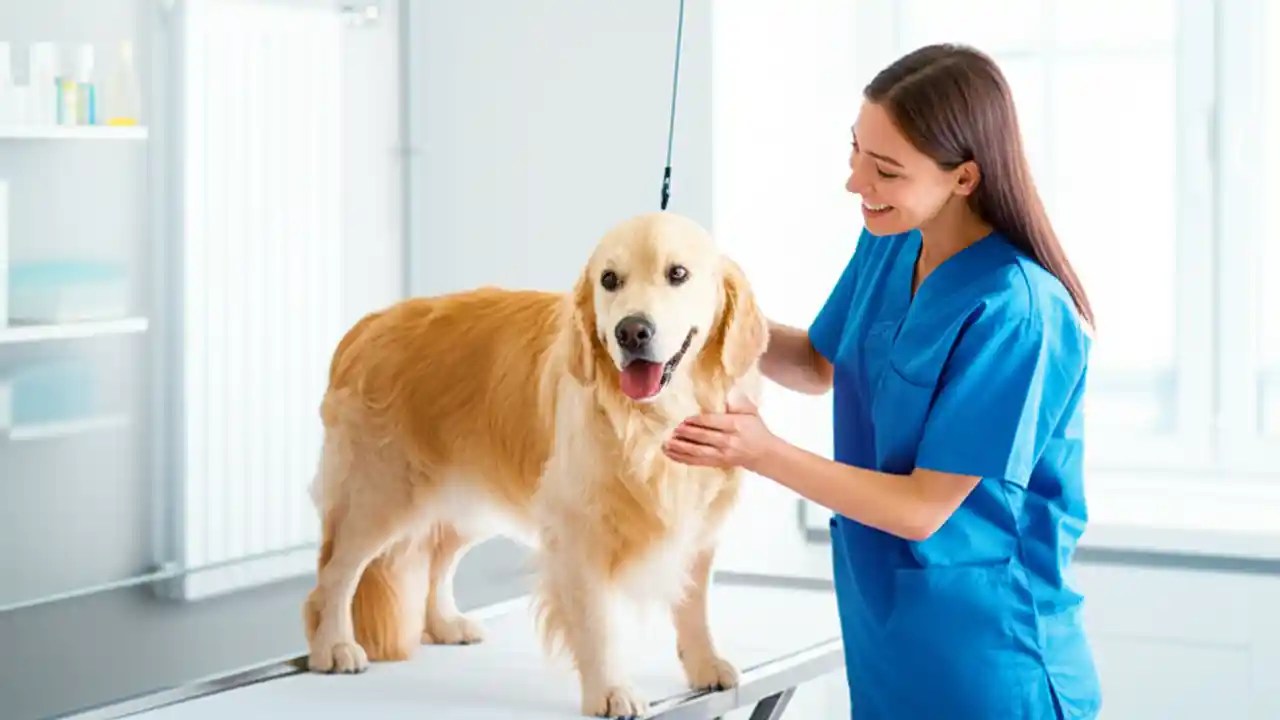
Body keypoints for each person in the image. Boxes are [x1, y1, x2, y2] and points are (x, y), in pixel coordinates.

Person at [662, 43, 1103, 720]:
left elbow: (922, 509)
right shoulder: (891, 241)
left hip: (990, 657)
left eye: (885, 170)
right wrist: (704, 316)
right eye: (855, 154)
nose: (855, 183)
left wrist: (761, 451)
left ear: (963, 178)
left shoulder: (1019, 311)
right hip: (888, 642)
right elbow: (815, 363)